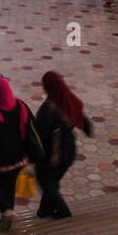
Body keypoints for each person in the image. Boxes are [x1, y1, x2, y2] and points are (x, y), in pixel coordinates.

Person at [0, 76, 39, 232]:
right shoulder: (21, 106)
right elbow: (32, 129)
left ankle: (5, 210)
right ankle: (7, 215)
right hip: (19, 158)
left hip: (1, 161)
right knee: (8, 186)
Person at [34, 71, 91, 219]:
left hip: (54, 153)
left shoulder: (48, 108)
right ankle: (44, 210)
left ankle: (62, 211)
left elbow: (39, 133)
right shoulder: (69, 99)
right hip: (69, 149)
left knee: (46, 181)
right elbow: (84, 121)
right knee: (53, 180)